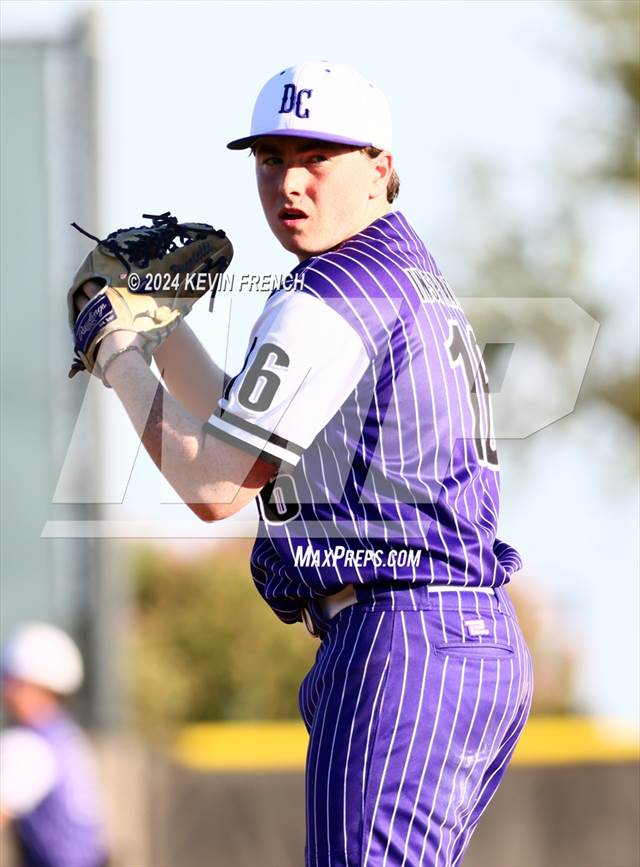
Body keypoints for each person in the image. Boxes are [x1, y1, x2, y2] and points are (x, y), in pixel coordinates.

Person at [73, 61, 533, 867]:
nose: (291, 181)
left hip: (403, 638)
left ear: (380, 166)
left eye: (317, 157)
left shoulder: (328, 292)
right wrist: (157, 326)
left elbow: (215, 484)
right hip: (459, 639)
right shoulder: (398, 269)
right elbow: (237, 430)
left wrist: (114, 353)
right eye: (270, 158)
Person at [0, 623, 109, 867]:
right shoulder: (67, 738)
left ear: (38, 687)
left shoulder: (31, 746)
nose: (5, 690)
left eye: (12, 681)